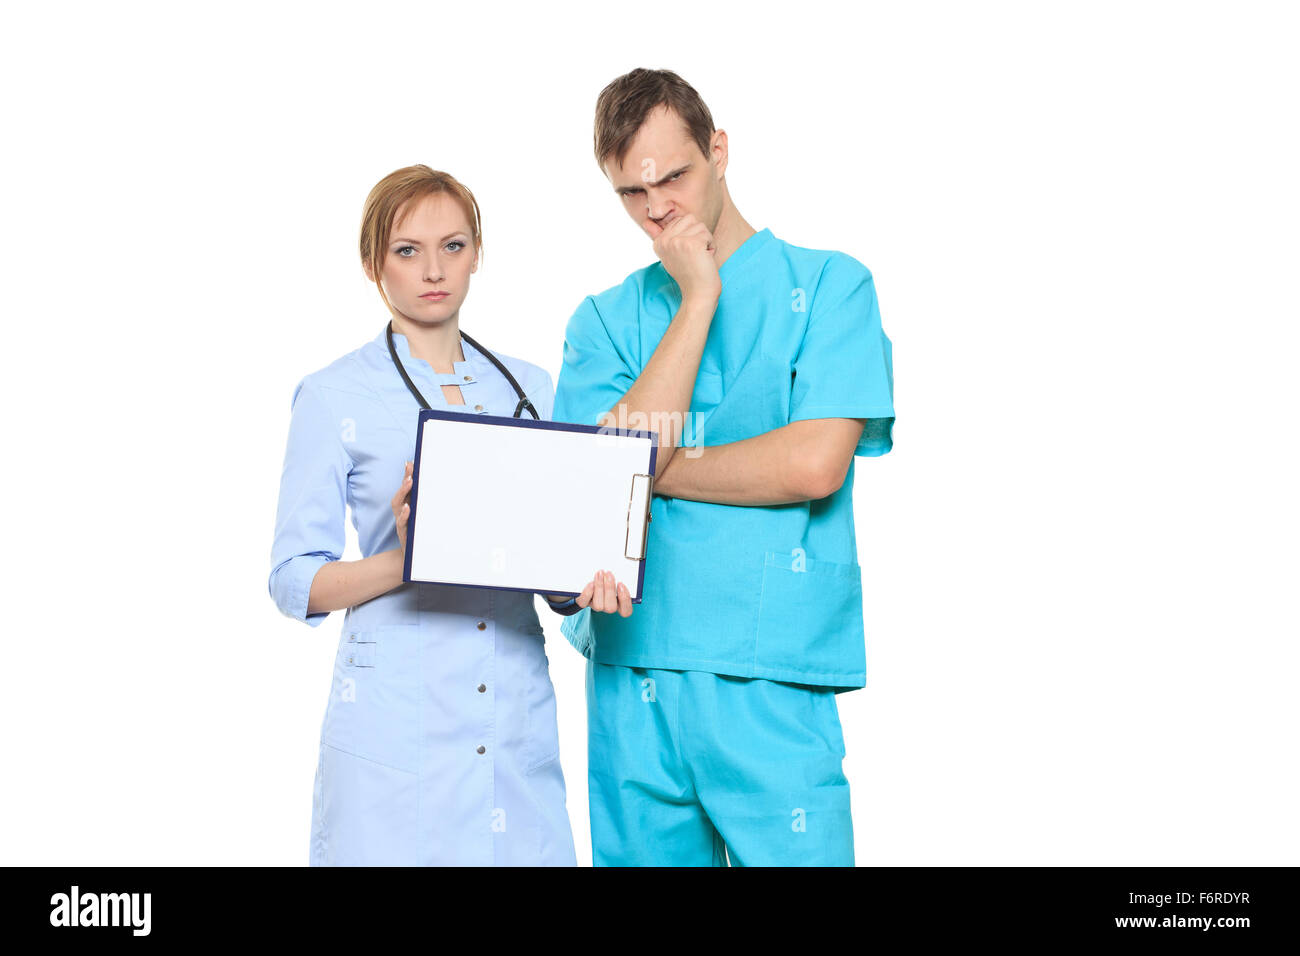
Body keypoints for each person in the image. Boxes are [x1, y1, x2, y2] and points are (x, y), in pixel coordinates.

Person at [553, 70, 896, 866]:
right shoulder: (603, 320)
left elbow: (813, 464)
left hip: (767, 676)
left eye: (673, 176)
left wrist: (647, 468)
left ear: (719, 150)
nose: (657, 208)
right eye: (631, 193)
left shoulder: (831, 286)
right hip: (633, 678)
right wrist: (698, 295)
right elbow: (591, 503)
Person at [268, 164, 632, 866]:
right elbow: (292, 581)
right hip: (393, 718)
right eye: (408, 250)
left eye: (454, 246)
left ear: (476, 254)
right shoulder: (332, 394)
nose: (434, 269)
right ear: (375, 264)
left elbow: (550, 555)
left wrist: (579, 585)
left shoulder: (529, 386)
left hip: (510, 707)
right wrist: (409, 556)